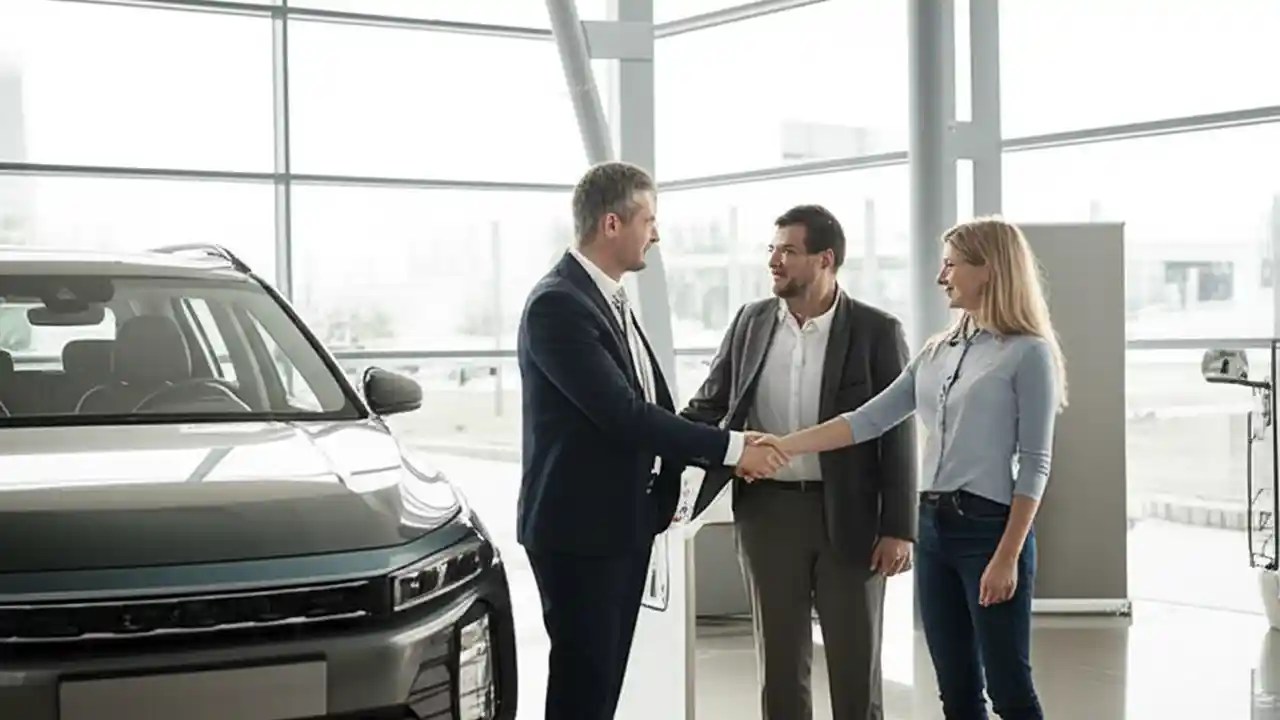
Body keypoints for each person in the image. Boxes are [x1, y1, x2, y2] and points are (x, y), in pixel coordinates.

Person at [760, 217, 1068, 720]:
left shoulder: (1028, 354)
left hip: (990, 531)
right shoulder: (937, 351)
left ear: (987, 269)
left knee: (1010, 689)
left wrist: (1008, 555)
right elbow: (866, 420)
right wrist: (781, 446)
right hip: (934, 529)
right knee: (957, 690)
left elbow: (1036, 464)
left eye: (950, 264)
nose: (941, 276)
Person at [516, 160, 789, 720]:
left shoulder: (607, 297)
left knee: (602, 679)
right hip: (579, 531)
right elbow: (623, 415)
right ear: (612, 224)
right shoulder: (558, 305)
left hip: (619, 524)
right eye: (650, 220)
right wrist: (733, 449)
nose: (657, 234)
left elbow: (648, 405)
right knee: (583, 685)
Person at [680, 204, 917, 720]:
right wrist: (659, 435)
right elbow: (709, 405)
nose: (774, 261)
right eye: (772, 249)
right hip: (767, 514)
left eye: (788, 250)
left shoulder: (878, 331)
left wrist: (900, 527)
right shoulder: (750, 322)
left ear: (825, 259)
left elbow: (898, 433)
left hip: (852, 517)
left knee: (856, 664)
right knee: (780, 666)